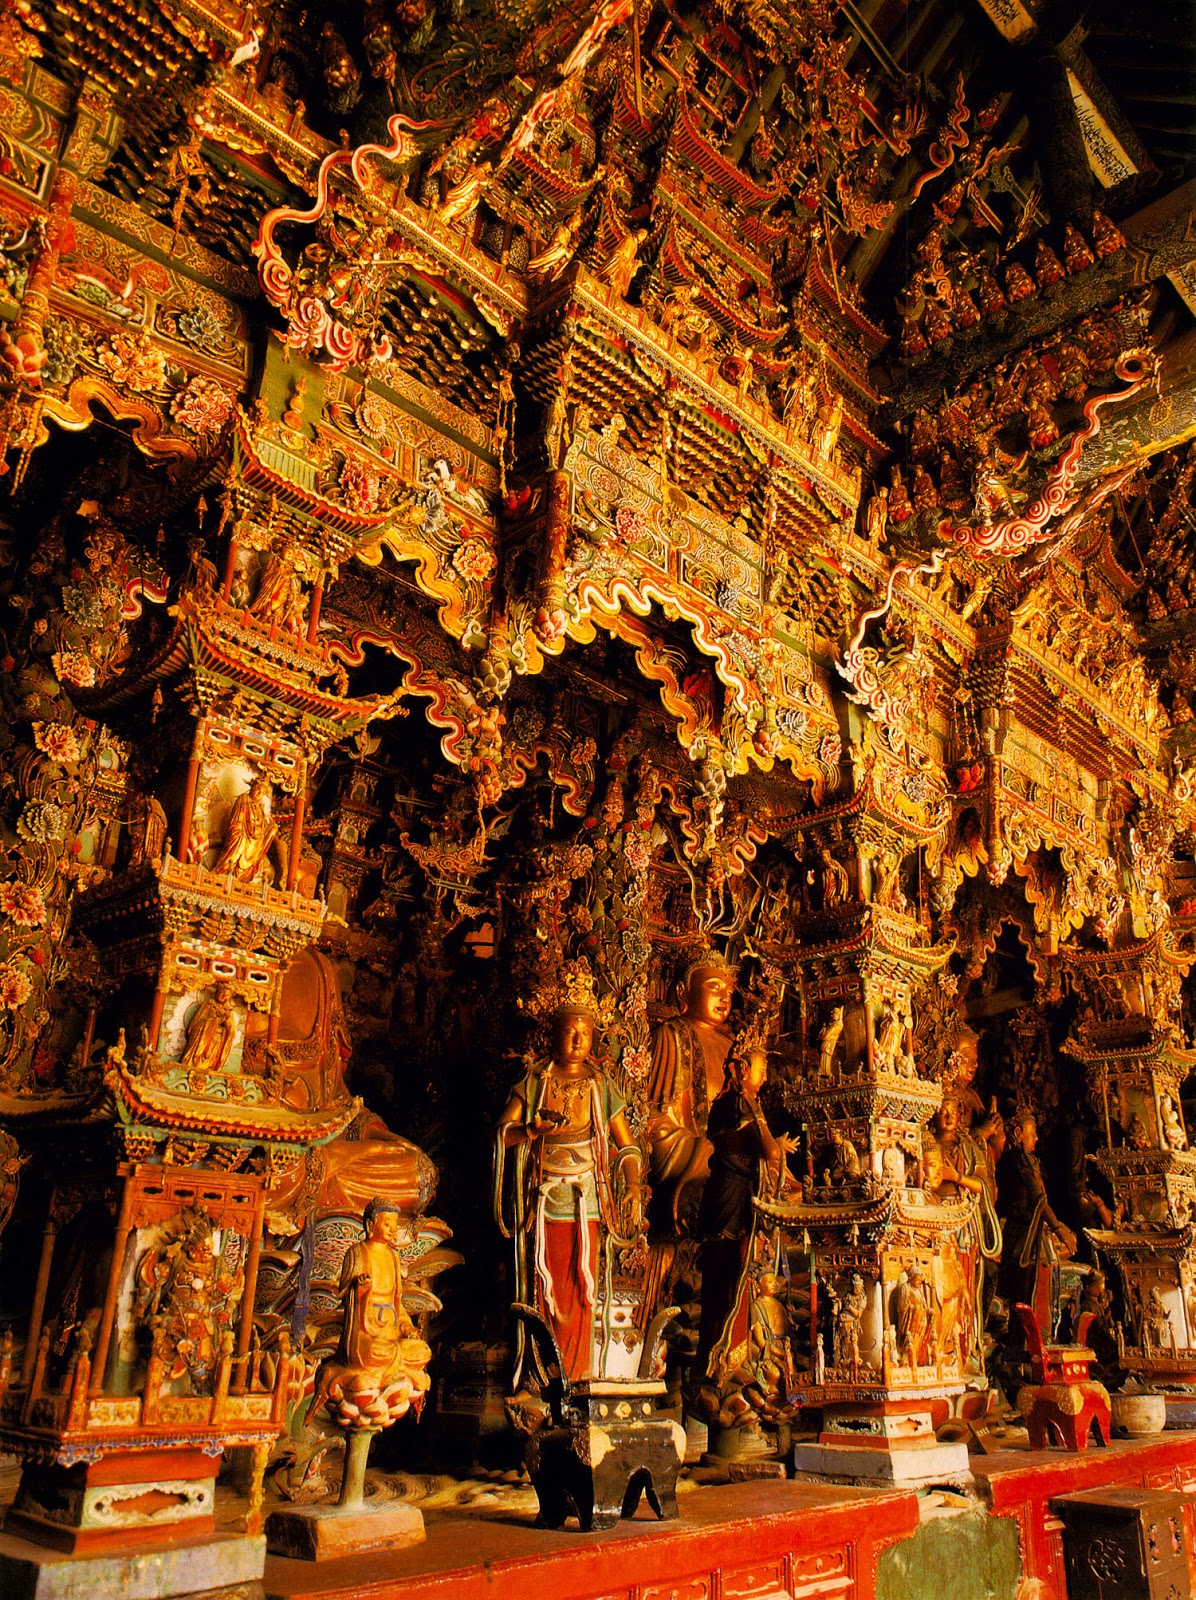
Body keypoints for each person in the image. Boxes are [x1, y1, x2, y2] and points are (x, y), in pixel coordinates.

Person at [494, 982, 643, 1384]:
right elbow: (503, 1133)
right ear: (552, 1035)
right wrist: (531, 1129)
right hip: (544, 1199)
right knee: (545, 1284)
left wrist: (631, 1185)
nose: (578, 1041)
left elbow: (627, 1145)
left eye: (586, 1034)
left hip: (588, 1199)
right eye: (569, 1032)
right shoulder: (535, 1081)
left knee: (582, 1287)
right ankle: (542, 1376)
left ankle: (579, 1375)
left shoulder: (600, 1085)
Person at [692, 1046, 796, 1396]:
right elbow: (768, 1151)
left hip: (732, 1193)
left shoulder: (740, 1104)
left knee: (732, 1280)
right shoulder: (741, 1102)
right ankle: (721, 1364)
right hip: (731, 1195)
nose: (764, 1076)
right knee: (729, 1281)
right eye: (761, 1068)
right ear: (743, 1071)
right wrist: (774, 1142)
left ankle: (727, 1359)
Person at [311, 1197, 431, 1426]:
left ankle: (389, 1368)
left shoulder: (393, 1258)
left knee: (422, 1351)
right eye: (387, 1223)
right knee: (375, 1352)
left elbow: (397, 1302)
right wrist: (362, 1289)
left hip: (390, 1334)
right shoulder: (357, 1253)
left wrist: (406, 1327)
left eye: (394, 1224)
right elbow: (346, 1295)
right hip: (365, 1334)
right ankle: (385, 1372)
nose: (392, 1229)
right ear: (369, 1225)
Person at [646, 956, 737, 1233]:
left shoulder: (732, 1045)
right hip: (692, 1152)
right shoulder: (671, 1035)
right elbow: (654, 1115)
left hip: (731, 1157)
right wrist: (705, 1150)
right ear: (683, 992)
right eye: (713, 987)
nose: (724, 997)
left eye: (728, 992)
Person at [996, 1107, 1076, 1331]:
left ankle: (1019, 1345)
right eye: (1033, 1133)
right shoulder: (1023, 1159)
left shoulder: (1008, 1160)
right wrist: (1059, 1228)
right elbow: (1038, 1198)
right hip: (1024, 1235)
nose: (1037, 1138)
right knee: (1025, 1295)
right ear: (1019, 1133)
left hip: (1016, 1233)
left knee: (1019, 1296)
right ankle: (1024, 1345)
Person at [214, 774, 279, 882]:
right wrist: (239, 831)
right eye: (258, 790)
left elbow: (262, 825)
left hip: (255, 841)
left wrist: (269, 830)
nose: (259, 794)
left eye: (262, 793)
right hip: (241, 834)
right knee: (239, 842)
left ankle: (242, 878)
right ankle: (223, 872)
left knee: (259, 845)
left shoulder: (260, 807)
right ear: (252, 787)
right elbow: (237, 820)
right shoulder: (244, 799)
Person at [179, 982, 237, 1075]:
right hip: (203, 1040)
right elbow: (194, 1026)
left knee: (212, 1058)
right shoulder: (208, 1006)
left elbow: (232, 1032)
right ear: (216, 992)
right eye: (222, 993)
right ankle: (195, 1065)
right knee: (198, 1060)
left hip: (218, 1041)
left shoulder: (228, 1012)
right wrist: (214, 1022)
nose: (224, 997)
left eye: (227, 996)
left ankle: (211, 1067)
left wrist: (227, 1026)